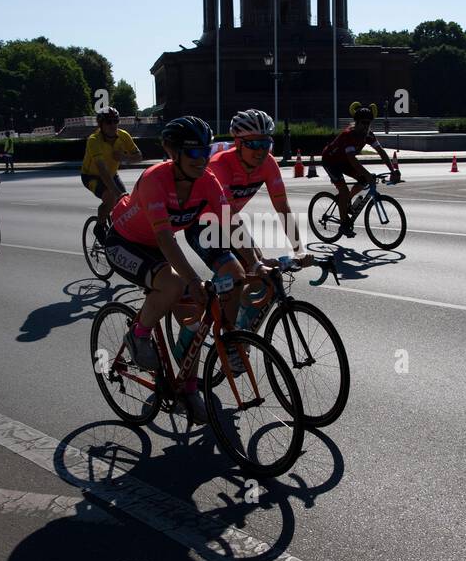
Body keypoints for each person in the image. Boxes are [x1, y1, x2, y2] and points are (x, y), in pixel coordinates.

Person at [103, 116, 229, 423]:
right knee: (173, 285)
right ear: (174, 153)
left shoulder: (208, 181)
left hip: (158, 245)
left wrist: (253, 263)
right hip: (125, 242)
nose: (202, 160)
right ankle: (139, 334)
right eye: (194, 153)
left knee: (195, 321)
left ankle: (188, 388)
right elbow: (164, 238)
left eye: (206, 151)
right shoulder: (155, 179)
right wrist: (194, 279)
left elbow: (232, 225)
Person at [184, 109, 308, 344]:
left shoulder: (268, 164)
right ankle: (225, 340)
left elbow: (282, 207)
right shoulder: (221, 166)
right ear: (238, 143)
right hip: (201, 224)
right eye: (254, 144)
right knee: (237, 271)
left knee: (262, 277)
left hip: (229, 225)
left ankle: (236, 326)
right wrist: (254, 260)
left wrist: (299, 249)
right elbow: (228, 216)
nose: (261, 150)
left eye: (266, 143)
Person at [320, 102, 399, 237]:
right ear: (356, 123)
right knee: (344, 190)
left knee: (363, 181)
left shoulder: (368, 134)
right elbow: (353, 161)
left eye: (368, 123)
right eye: (363, 123)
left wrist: (393, 170)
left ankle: (345, 202)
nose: (366, 126)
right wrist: (368, 174)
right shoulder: (348, 135)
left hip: (344, 161)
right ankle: (343, 225)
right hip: (331, 161)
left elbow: (381, 152)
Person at [81, 107, 142, 239]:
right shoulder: (94, 140)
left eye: (115, 121)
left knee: (126, 204)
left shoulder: (123, 135)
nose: (113, 125)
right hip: (92, 176)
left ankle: (120, 231)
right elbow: (102, 171)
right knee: (111, 197)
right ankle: (99, 226)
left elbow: (139, 157)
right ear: (101, 125)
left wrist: (124, 158)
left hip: (112, 174)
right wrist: (117, 193)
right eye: (108, 122)